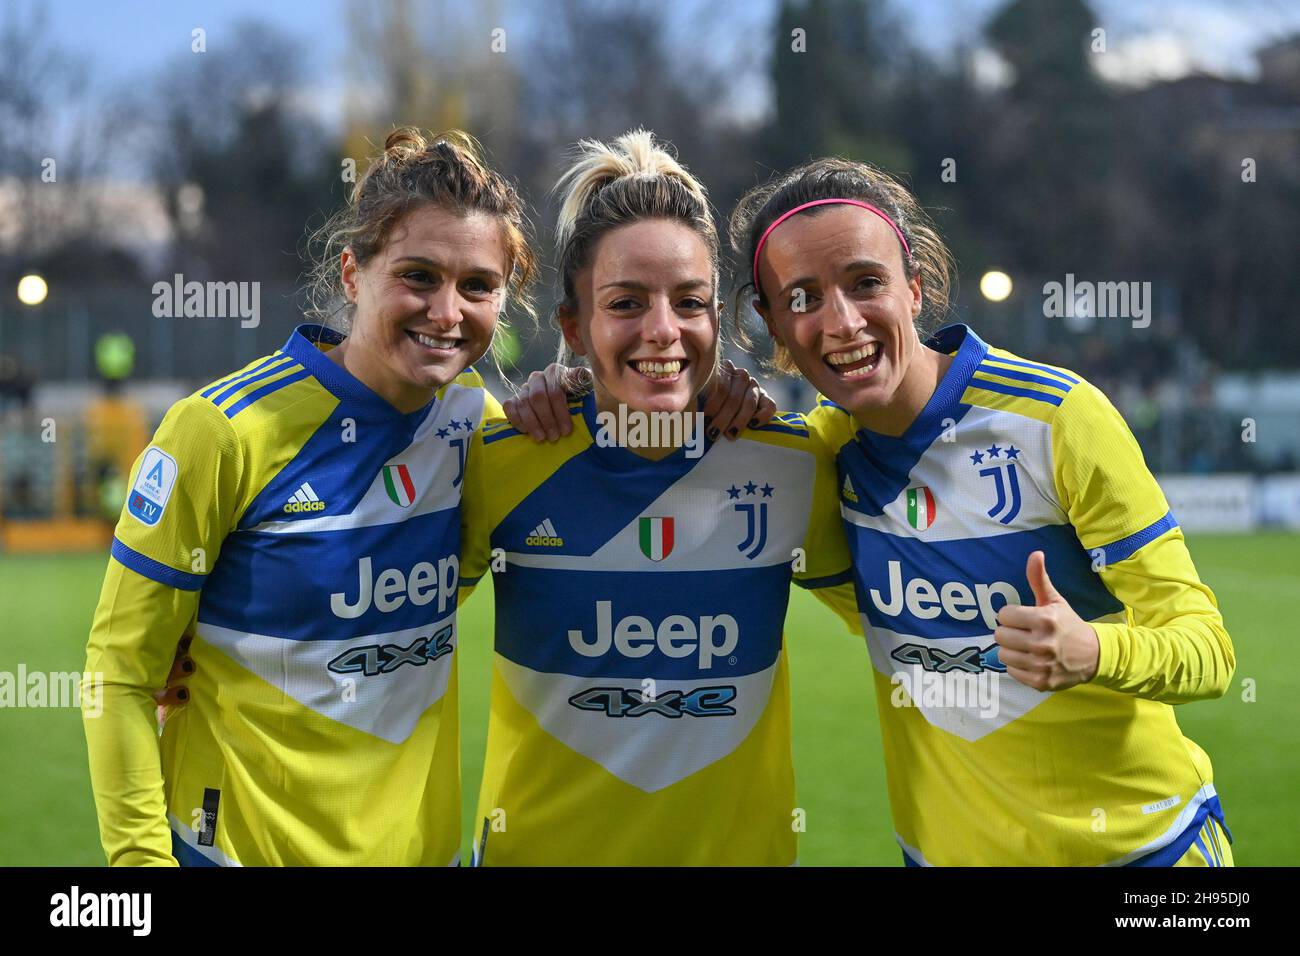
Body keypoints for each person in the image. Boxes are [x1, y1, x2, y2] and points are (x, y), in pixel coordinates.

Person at [729, 156, 1236, 866]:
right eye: (804, 298)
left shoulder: (1058, 419)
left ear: (916, 287)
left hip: (1143, 851)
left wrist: (1095, 651)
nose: (841, 322)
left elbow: (1209, 651)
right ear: (775, 325)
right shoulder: (814, 462)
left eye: (865, 282)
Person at [82, 128, 539, 866]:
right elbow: (120, 672)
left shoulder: (475, 428)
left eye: (478, 286)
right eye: (418, 275)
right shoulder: (219, 432)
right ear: (354, 273)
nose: (448, 312)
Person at [461, 130, 852, 865]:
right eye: (626, 303)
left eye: (689, 302)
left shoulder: (789, 462)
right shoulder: (500, 460)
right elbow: (372, 622)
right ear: (575, 329)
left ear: (717, 320)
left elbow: (915, 620)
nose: (663, 331)